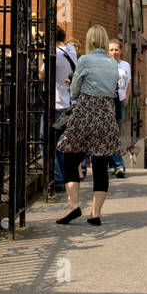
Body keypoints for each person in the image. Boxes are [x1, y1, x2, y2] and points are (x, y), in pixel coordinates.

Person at [56, 24, 121, 225]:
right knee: (101, 163)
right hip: (106, 113)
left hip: (85, 111)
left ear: (90, 41)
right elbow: (113, 89)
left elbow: (74, 89)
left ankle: (73, 206)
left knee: (70, 157)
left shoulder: (84, 60)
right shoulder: (112, 63)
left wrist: (76, 100)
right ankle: (95, 214)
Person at [52, 27, 78, 192]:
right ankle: (66, 177)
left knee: (50, 143)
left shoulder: (55, 56)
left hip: (58, 104)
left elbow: (42, 74)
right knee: (64, 144)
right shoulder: (71, 51)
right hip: (70, 102)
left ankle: (59, 179)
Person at [108, 37, 131, 178]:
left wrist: (127, 97)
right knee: (112, 134)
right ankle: (119, 165)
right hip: (108, 102)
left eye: (116, 49)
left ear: (121, 51)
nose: (114, 52)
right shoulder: (104, 64)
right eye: (111, 49)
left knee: (115, 133)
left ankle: (113, 165)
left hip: (120, 102)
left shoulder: (125, 65)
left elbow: (128, 82)